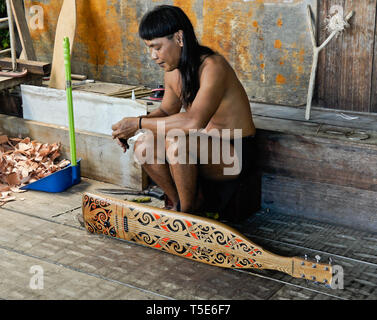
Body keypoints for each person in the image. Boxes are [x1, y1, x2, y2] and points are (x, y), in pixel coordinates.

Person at [112, 5, 259, 220]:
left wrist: (138, 122)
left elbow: (193, 122)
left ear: (179, 38)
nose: (153, 56)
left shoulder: (212, 66)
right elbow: (165, 110)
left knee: (177, 142)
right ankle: (182, 204)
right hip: (200, 148)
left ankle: (187, 214)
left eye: (157, 47)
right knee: (144, 144)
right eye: (149, 48)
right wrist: (131, 129)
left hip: (234, 153)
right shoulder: (173, 72)